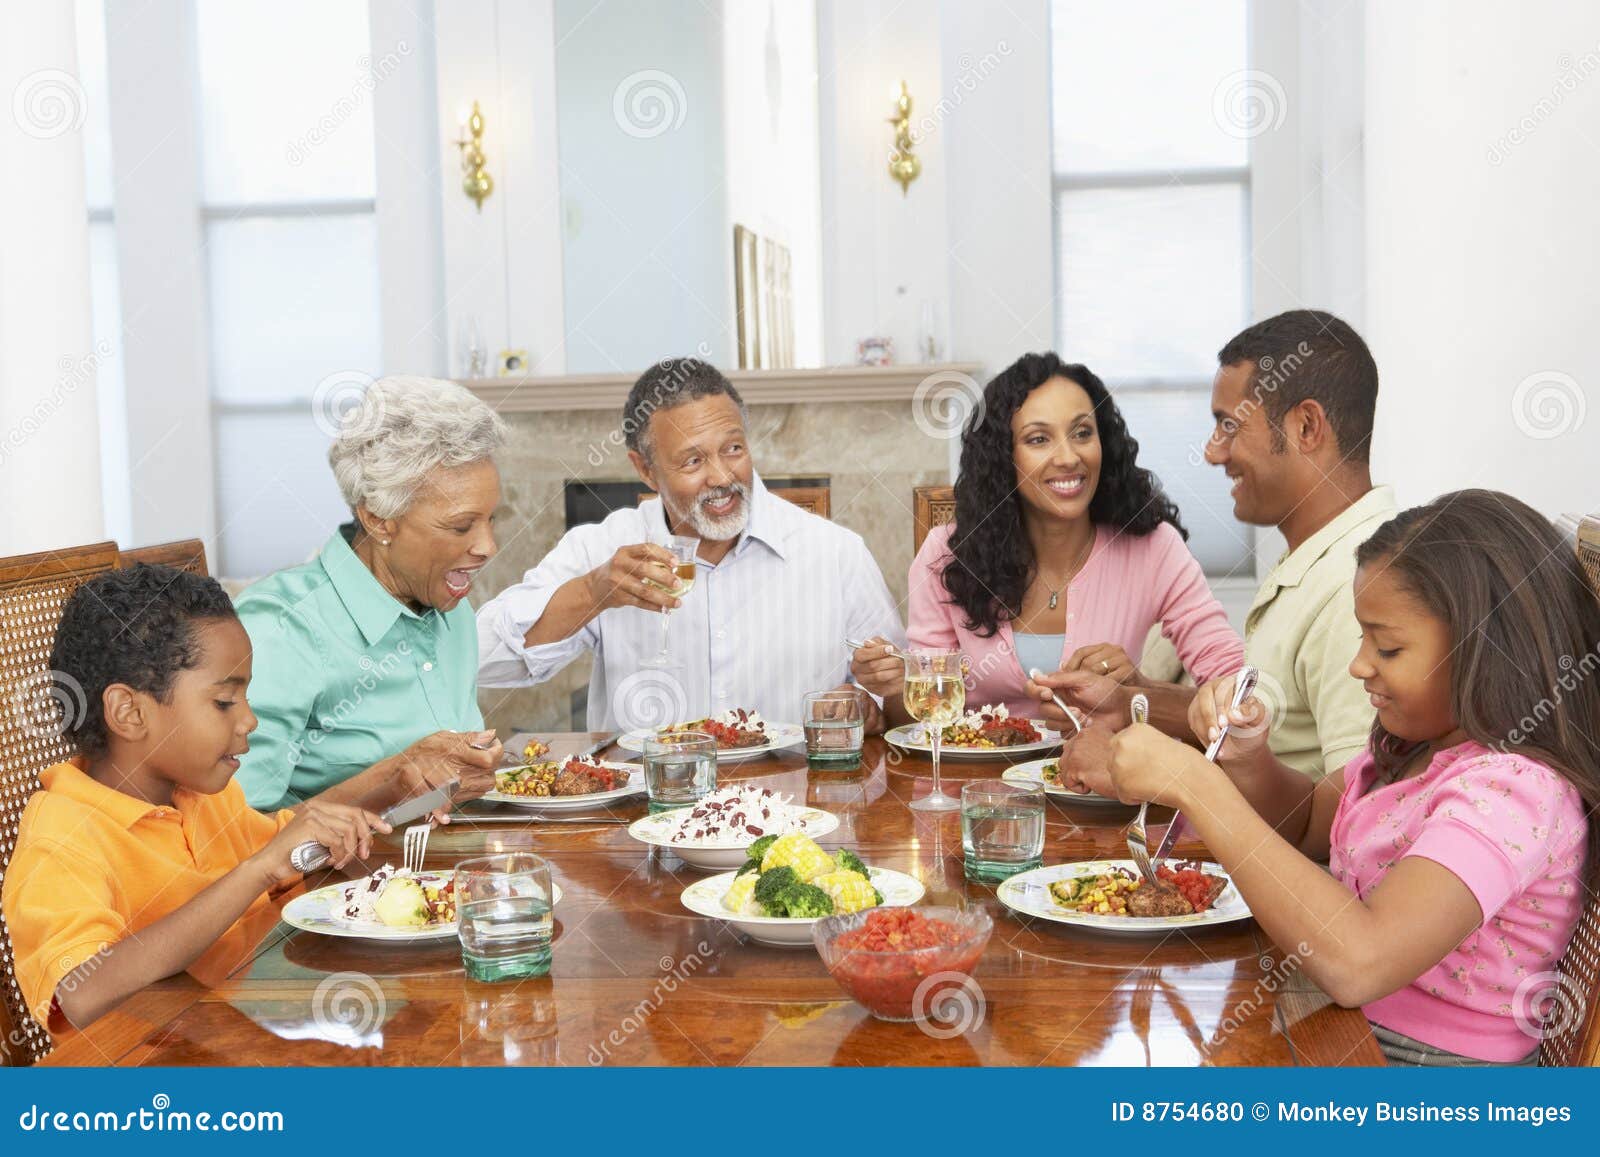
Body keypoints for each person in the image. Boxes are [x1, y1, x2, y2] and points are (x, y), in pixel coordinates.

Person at [1105, 492, 1599, 1065]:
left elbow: (1359, 964)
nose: (1359, 664)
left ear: (1485, 649)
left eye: (1387, 646)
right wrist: (1246, 761)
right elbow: (1312, 821)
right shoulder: (1412, 748)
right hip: (1343, 1032)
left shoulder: (1512, 793)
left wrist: (1197, 784)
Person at [2, 565, 397, 1039]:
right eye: (225, 702)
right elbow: (81, 993)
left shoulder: (203, 796)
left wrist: (384, 797)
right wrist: (260, 868)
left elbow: (284, 857)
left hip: (232, 1036)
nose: (249, 720)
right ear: (129, 712)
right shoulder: (61, 840)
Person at [1031, 310, 1394, 781]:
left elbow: (1351, 813)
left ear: (1306, 427)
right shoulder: (1320, 555)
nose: (1213, 451)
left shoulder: (1360, 585)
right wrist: (1131, 701)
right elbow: (1257, 725)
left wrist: (1161, 774)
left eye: (1229, 426)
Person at [476, 357, 904, 731]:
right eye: (693, 461)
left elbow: (900, 703)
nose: (721, 477)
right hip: (644, 809)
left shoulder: (835, 553)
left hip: (794, 806)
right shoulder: (603, 548)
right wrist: (591, 594)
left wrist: (874, 705)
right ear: (645, 469)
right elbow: (482, 660)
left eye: (733, 449)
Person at [852, 353, 1242, 732]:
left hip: (1103, 789)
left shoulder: (1153, 547)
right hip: (977, 790)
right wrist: (895, 686)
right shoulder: (947, 555)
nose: (1069, 457)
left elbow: (1234, 690)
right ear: (1005, 457)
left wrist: (1139, 692)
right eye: (1039, 439)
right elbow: (921, 720)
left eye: (1083, 433)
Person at [233, 377, 505, 811]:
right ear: (379, 520)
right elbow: (233, 833)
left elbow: (437, 791)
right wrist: (392, 781)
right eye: (461, 526)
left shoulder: (449, 607)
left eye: (493, 519)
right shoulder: (279, 630)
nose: (487, 546)